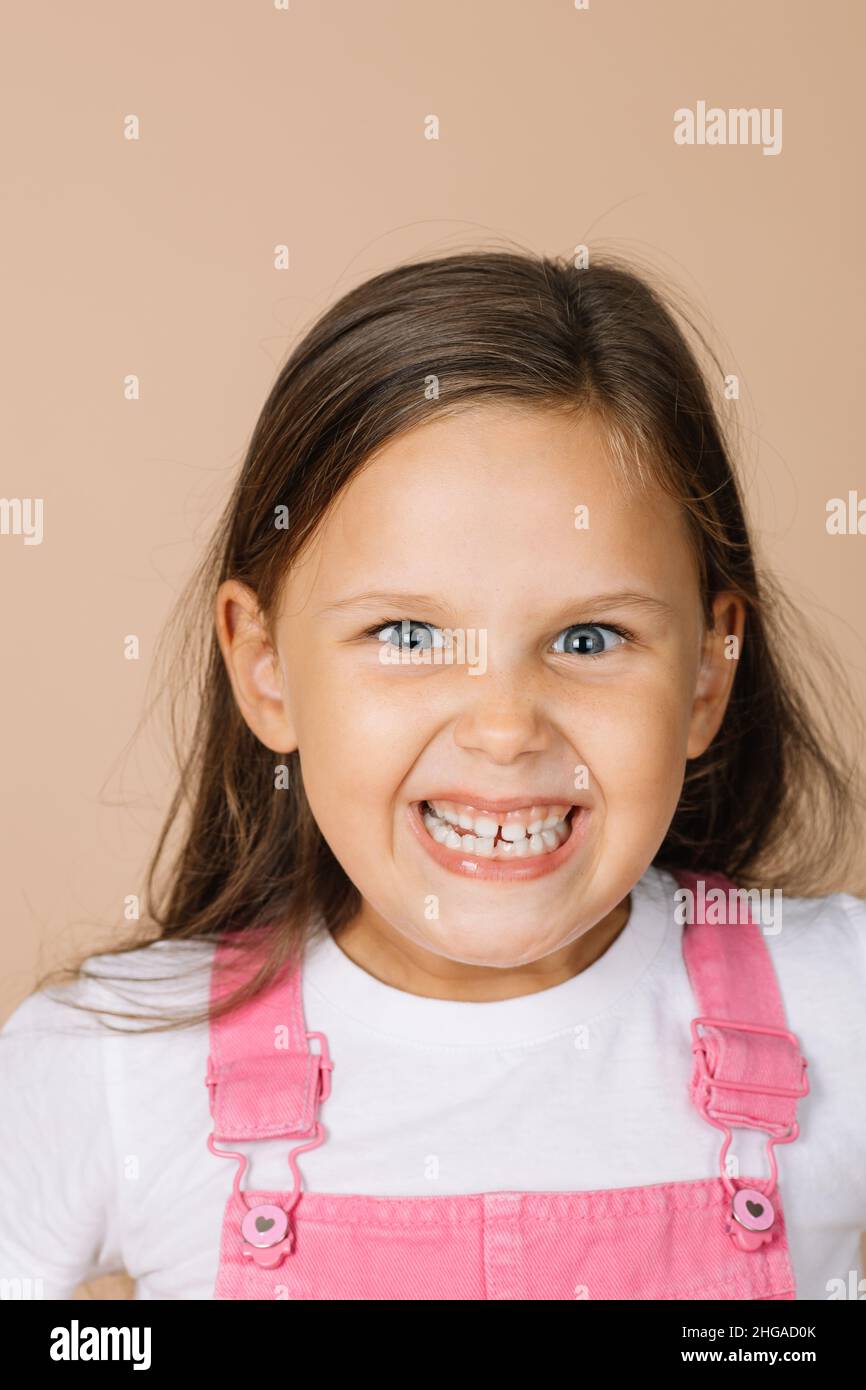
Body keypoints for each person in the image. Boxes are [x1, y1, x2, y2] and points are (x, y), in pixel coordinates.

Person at [2, 250, 864, 1300]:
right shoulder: (109, 1063)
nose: (503, 729)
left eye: (589, 638)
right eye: (405, 632)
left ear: (702, 674)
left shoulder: (838, 1008)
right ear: (264, 665)